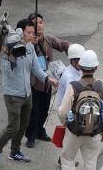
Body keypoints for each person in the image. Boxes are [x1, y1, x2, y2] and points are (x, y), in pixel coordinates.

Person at [0, 18, 46, 169]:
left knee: (23, 125)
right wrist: (12, 55)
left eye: (32, 33)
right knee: (13, 127)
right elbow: (7, 72)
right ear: (20, 32)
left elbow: (36, 68)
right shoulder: (8, 48)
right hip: (12, 95)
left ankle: (15, 151)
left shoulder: (30, 47)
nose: (31, 35)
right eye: (28, 33)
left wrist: (48, 79)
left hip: (27, 94)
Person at [57, 49, 103, 170]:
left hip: (75, 132)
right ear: (96, 67)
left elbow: (62, 111)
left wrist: (65, 122)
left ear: (80, 66)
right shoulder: (102, 87)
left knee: (67, 158)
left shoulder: (74, 87)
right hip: (94, 133)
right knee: (90, 163)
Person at [26, 13, 70, 147]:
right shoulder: (29, 43)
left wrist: (75, 51)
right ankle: (30, 136)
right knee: (33, 110)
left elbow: (63, 44)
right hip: (33, 82)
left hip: (48, 82)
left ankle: (40, 131)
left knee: (44, 109)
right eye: (35, 23)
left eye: (40, 22)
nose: (38, 25)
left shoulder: (48, 40)